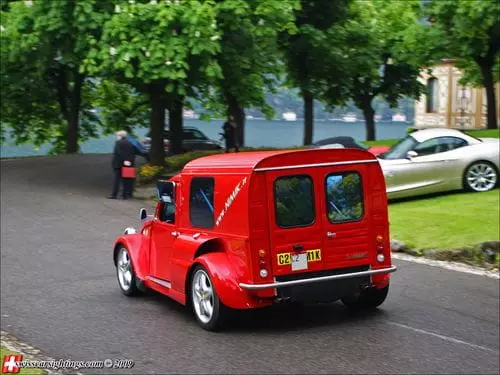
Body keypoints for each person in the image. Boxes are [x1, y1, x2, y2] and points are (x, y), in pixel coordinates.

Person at [109, 130, 136, 200]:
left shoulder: (118, 143)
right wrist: (129, 161)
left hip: (118, 164)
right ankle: (125, 195)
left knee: (117, 180)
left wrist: (124, 160)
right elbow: (133, 153)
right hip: (129, 165)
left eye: (117, 136)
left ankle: (114, 195)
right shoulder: (130, 143)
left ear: (120, 136)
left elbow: (119, 153)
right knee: (126, 180)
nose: (117, 137)